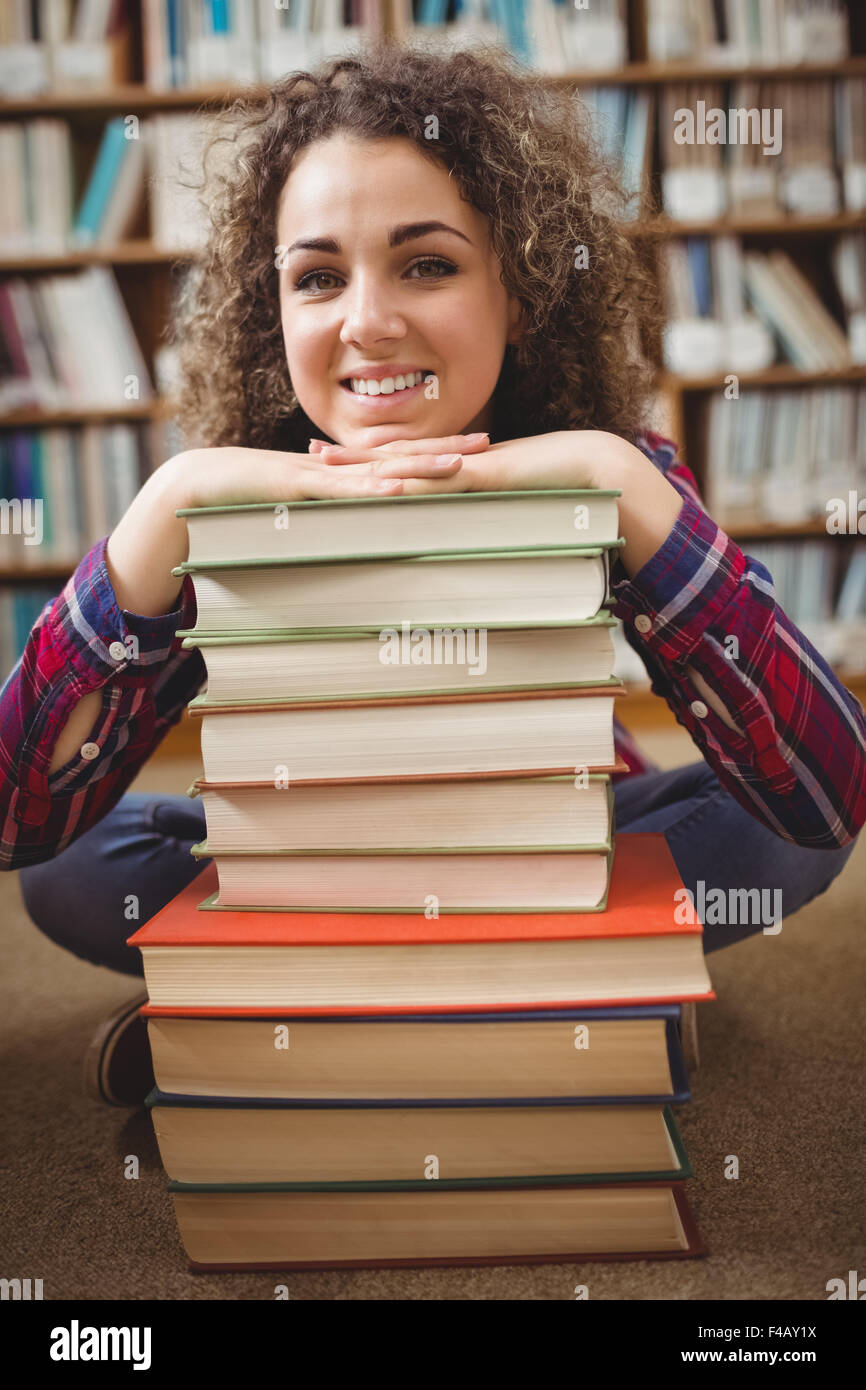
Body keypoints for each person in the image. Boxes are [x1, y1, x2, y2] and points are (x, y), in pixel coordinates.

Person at [3, 42, 864, 1105]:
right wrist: (165, 503)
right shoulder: (221, 501)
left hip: (555, 850)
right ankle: (582, 997)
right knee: (72, 871)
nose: (366, 321)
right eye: (318, 276)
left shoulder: (604, 468)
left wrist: (612, 473)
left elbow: (826, 796)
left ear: (520, 292)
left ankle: (285, 1010)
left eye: (427, 263)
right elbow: (16, 822)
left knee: (772, 843)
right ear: (273, 312)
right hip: (316, 868)